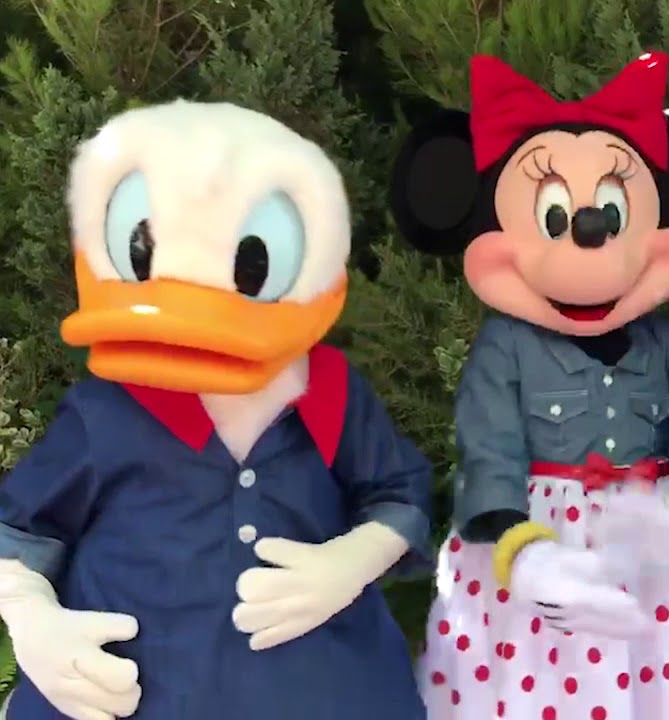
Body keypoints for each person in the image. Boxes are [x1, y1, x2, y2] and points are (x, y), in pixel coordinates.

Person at [388, 52, 669, 719]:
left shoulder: (666, 342)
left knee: (664, 690)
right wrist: (523, 555)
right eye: (556, 218)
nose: (589, 235)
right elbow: (489, 456)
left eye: (610, 212)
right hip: (535, 548)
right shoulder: (504, 346)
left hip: (652, 545)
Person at [0, 100, 433, 720]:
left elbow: (399, 497)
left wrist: (350, 563)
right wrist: (33, 622)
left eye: (256, 263)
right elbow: (20, 534)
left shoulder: (336, 397)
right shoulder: (106, 412)